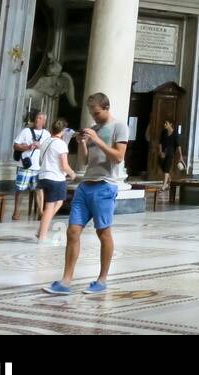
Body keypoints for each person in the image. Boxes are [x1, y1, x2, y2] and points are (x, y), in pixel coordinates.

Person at [45, 93, 129, 296]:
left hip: (105, 185)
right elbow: (83, 161)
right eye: (92, 113)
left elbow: (118, 157)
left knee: (103, 233)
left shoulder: (119, 127)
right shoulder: (95, 130)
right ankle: (66, 281)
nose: (94, 117)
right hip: (86, 185)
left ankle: (102, 280)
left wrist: (97, 140)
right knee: (72, 231)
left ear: (106, 107)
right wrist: (83, 143)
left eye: (97, 112)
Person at [36, 119, 75, 243]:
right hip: (55, 178)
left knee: (59, 202)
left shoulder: (46, 141)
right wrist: (72, 173)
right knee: (50, 206)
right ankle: (42, 235)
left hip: (43, 176)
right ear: (63, 131)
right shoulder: (61, 144)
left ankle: (43, 226)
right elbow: (64, 165)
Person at [13, 110, 48, 221]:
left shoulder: (46, 134)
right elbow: (16, 145)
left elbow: (48, 148)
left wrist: (40, 146)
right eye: (37, 118)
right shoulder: (26, 131)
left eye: (40, 118)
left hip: (39, 167)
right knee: (20, 189)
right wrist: (28, 147)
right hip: (25, 165)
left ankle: (40, 212)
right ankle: (16, 211)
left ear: (44, 121)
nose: (37, 120)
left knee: (39, 189)